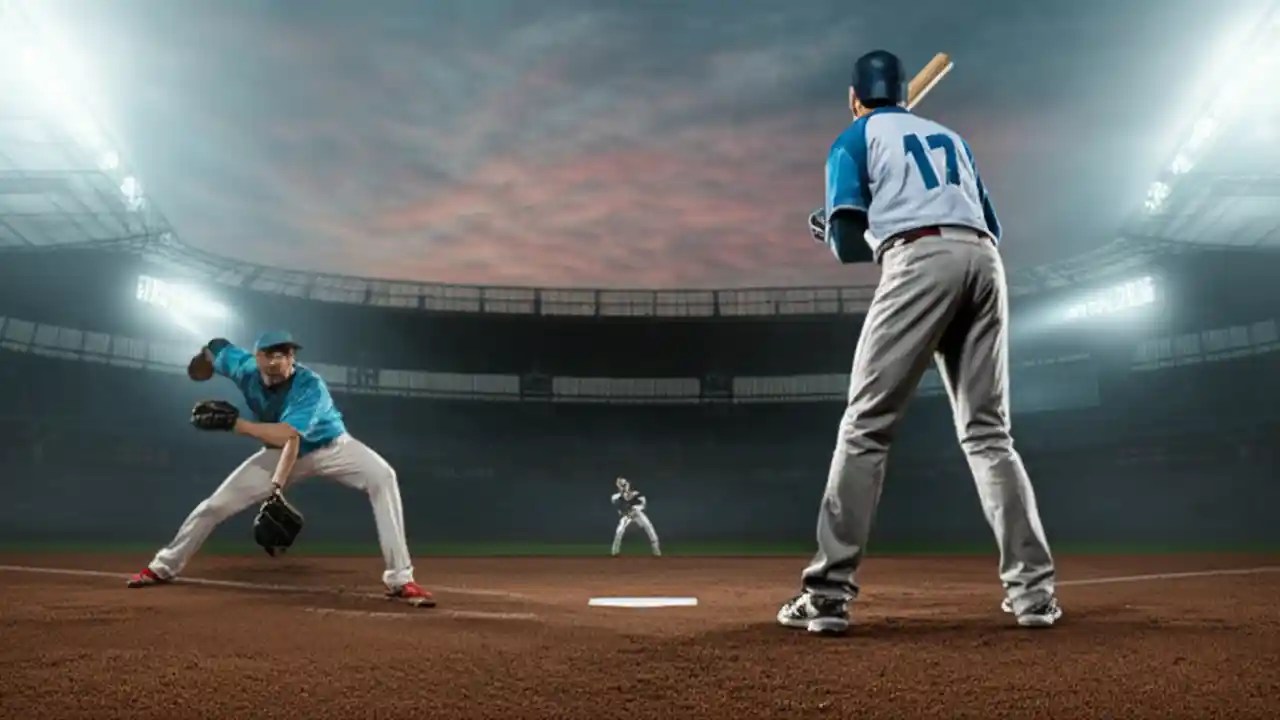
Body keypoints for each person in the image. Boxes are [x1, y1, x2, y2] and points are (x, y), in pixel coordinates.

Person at [777, 50, 1060, 635]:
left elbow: (850, 248)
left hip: (919, 263)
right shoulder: (950, 137)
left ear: (855, 97)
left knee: (865, 427)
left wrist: (835, 222)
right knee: (989, 434)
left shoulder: (852, 139)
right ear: (905, 95)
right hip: (985, 263)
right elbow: (988, 223)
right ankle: (1034, 595)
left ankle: (827, 595)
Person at [126, 330, 435, 607]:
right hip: (277, 451)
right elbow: (215, 347)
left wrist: (239, 427)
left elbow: (290, 436)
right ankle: (162, 566)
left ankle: (400, 578)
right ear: (257, 357)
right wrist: (201, 363)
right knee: (214, 506)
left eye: (284, 354)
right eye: (269, 353)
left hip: (333, 448)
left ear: (292, 358)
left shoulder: (308, 385)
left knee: (383, 476)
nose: (276, 360)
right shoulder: (244, 368)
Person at [610, 477, 661, 557]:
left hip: (638, 514)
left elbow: (643, 504)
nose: (623, 487)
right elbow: (620, 509)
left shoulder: (636, 494)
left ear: (628, 484)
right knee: (619, 531)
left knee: (649, 528)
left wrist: (636, 507)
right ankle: (615, 552)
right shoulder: (616, 497)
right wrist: (628, 510)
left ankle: (656, 551)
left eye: (624, 484)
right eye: (621, 485)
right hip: (627, 515)